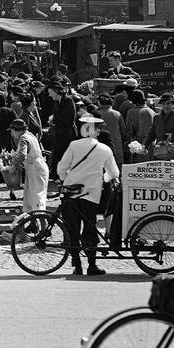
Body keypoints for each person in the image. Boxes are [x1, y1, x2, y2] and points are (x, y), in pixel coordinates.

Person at [56, 115, 120, 276]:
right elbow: (114, 173)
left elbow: (61, 168)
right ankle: (92, 265)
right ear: (97, 132)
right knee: (90, 227)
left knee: (72, 228)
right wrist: (102, 180)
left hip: (71, 192)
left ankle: (77, 265)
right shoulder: (104, 149)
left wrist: (67, 179)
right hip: (91, 194)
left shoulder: (73, 145)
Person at [10, 117, 49, 212]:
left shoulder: (23, 138)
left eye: (12, 131)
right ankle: (33, 224)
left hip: (35, 169)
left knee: (36, 199)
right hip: (38, 167)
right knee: (30, 199)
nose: (12, 134)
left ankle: (42, 225)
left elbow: (22, 155)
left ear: (16, 130)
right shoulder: (30, 135)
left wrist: (14, 166)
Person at [95, 94, 125, 167]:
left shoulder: (96, 114)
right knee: (116, 166)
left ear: (99, 102)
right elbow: (123, 130)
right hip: (116, 143)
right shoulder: (117, 114)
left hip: (100, 143)